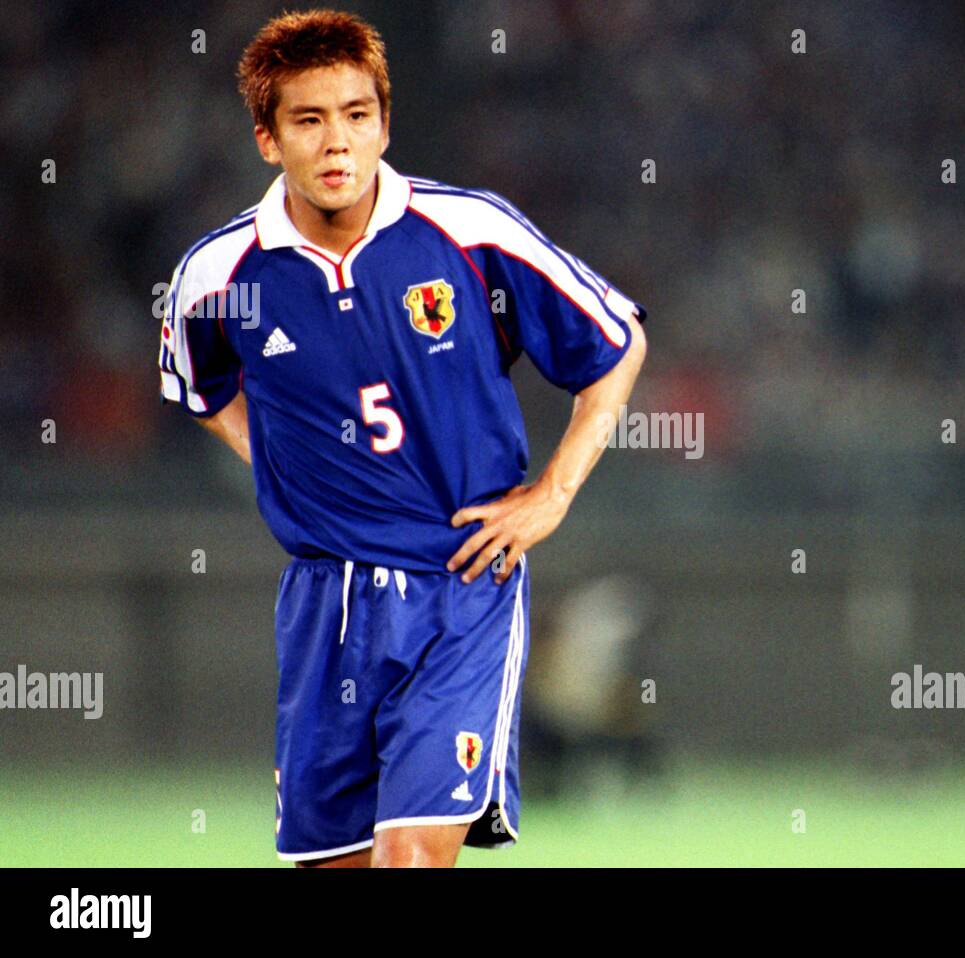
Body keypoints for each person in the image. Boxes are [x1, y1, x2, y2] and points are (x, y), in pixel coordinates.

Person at [157, 9, 646, 867]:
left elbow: (616, 344)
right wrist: (286, 466)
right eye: (308, 120)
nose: (337, 142)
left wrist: (553, 495)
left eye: (355, 115)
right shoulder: (217, 277)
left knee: (412, 858)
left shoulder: (472, 234)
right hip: (322, 605)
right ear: (269, 140)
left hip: (459, 587)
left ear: (385, 123)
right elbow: (198, 389)